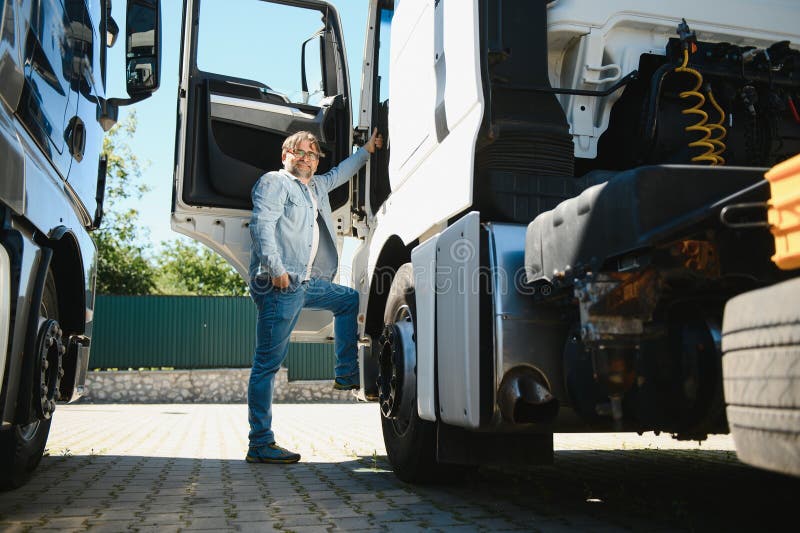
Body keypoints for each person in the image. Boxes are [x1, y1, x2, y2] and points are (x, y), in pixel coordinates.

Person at [246, 129, 383, 464]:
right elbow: (261, 226)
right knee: (266, 365)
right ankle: (260, 443)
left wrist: (367, 150)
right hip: (280, 283)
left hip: (304, 282)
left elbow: (341, 172)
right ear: (286, 155)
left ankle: (345, 373)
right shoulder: (275, 183)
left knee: (348, 300)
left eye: (312, 154)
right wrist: (276, 270)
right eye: (300, 152)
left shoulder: (316, 186)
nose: (307, 158)